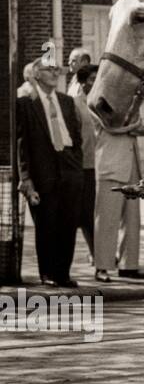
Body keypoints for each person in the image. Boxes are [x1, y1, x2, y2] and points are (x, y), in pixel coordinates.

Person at [16, 60, 83, 287]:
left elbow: (76, 137)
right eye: (49, 70)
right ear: (36, 75)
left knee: (69, 221)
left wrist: (76, 165)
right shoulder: (26, 104)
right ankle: (48, 273)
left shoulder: (66, 101)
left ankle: (63, 273)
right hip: (44, 170)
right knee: (47, 223)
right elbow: (22, 144)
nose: (55, 73)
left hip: (69, 167)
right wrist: (26, 179)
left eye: (56, 70)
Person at [93, 97, 144, 283]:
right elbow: (112, 126)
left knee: (132, 219)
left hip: (132, 166)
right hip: (110, 165)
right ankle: (102, 266)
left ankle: (129, 265)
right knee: (106, 219)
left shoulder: (128, 104)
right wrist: (132, 125)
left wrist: (131, 125)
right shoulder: (96, 102)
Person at [72, 63, 100, 263]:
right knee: (83, 212)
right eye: (91, 80)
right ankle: (93, 252)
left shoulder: (97, 102)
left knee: (92, 212)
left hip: (97, 164)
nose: (95, 83)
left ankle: (97, 252)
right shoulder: (75, 104)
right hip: (81, 165)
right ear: (82, 83)